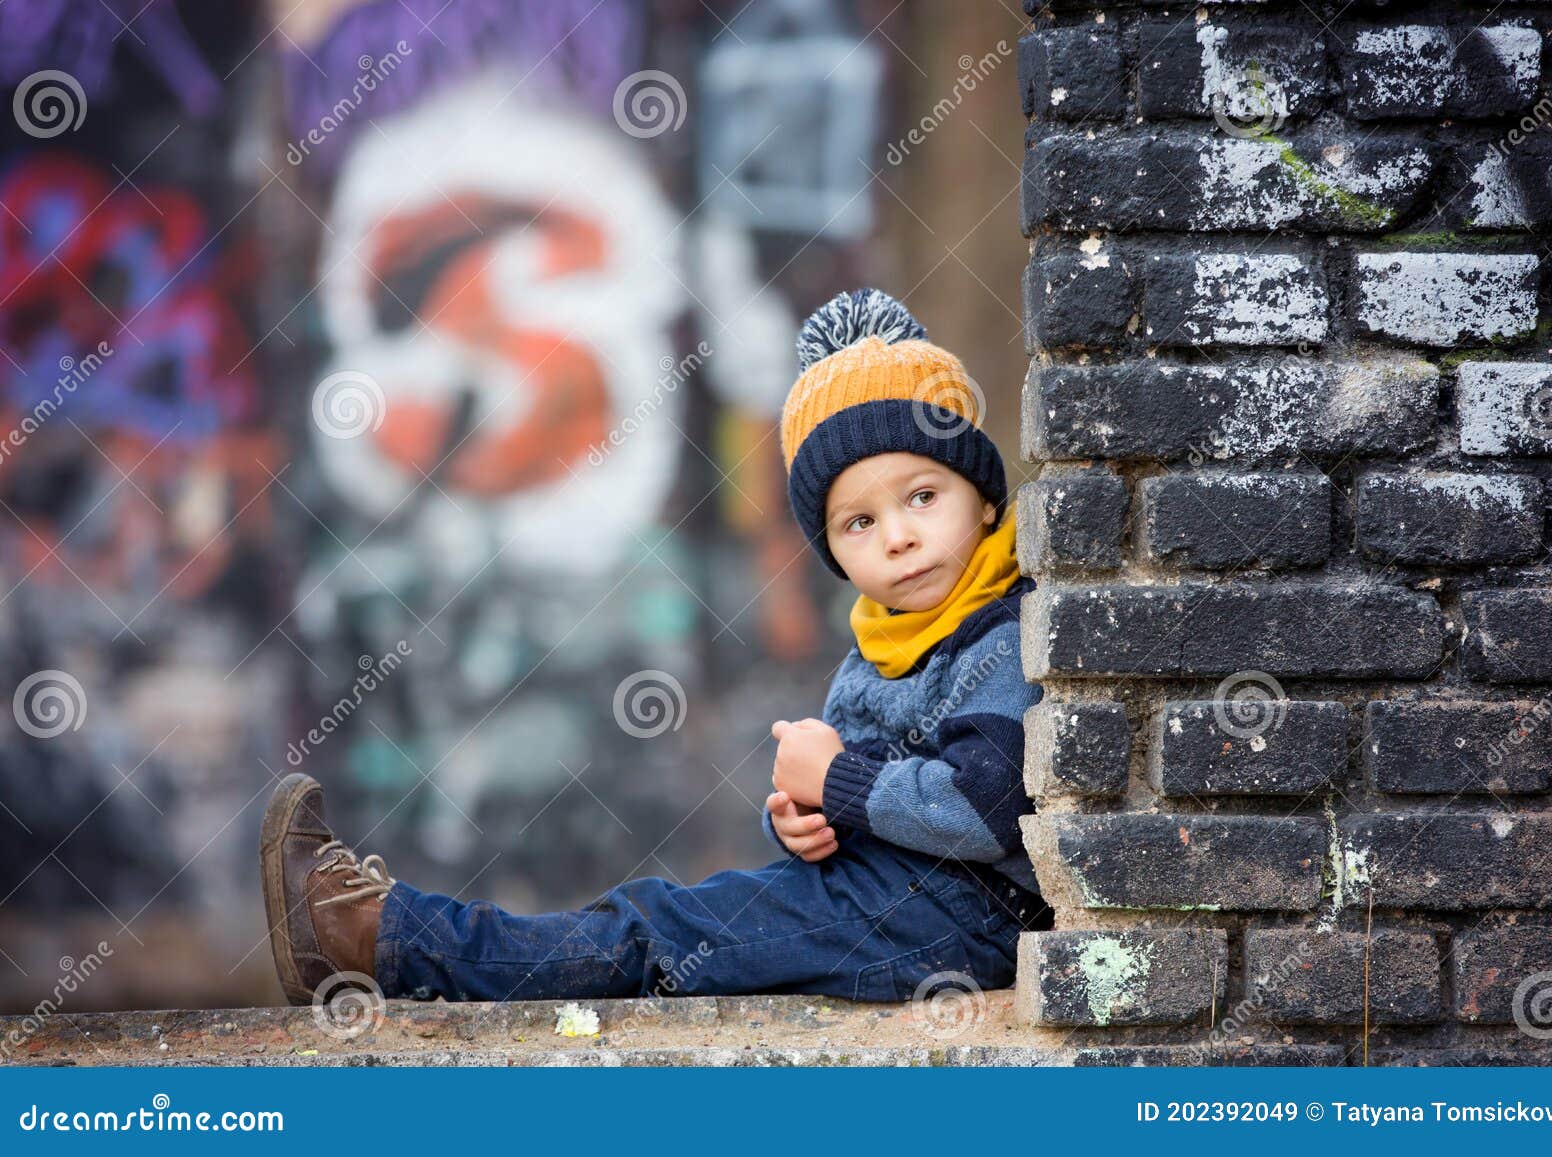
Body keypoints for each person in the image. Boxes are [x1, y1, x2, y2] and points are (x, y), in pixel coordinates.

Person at [258, 288, 1052, 1007]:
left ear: (984, 500)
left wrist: (839, 779)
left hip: (967, 918)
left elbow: (988, 811)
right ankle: (383, 935)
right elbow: (876, 802)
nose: (899, 536)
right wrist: (809, 822)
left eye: (923, 496)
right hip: (894, 900)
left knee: (654, 929)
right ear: (834, 552)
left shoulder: (1006, 634)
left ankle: (381, 937)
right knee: (665, 920)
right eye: (860, 522)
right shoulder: (877, 646)